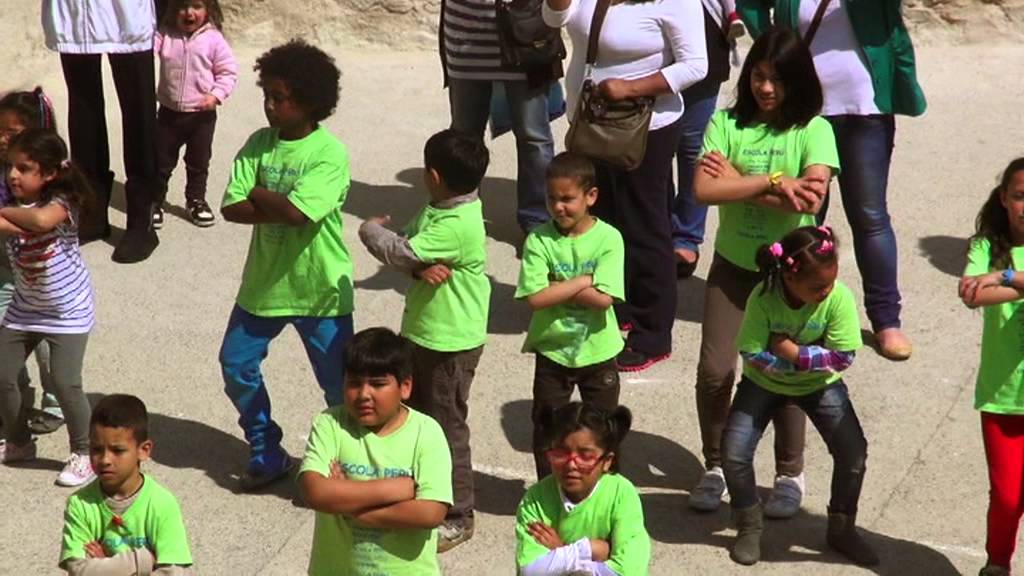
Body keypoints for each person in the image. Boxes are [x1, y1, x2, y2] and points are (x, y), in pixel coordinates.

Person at [689, 26, 838, 517]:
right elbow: (704, 192)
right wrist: (775, 182)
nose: (766, 88)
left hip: (788, 277)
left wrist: (738, 180)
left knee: (784, 372)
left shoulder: (815, 130)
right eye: (758, 76)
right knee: (716, 371)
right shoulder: (725, 122)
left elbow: (811, 199)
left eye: (776, 79)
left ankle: (788, 473)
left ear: (797, 81)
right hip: (732, 268)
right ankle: (715, 466)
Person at [738, 0, 928, 361]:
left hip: (865, 106)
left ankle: (886, 320)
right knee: (803, 215)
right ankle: (786, 314)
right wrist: (775, 50)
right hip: (804, 110)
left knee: (870, 216)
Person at [543, 0, 708, 371]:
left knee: (645, 227)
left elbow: (696, 64)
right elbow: (553, 19)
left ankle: (652, 333)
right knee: (606, 221)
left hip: (645, 129)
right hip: (592, 124)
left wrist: (632, 87)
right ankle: (624, 305)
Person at [218, 40, 352, 492]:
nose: (269, 105)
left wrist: (260, 194)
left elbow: (299, 215)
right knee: (236, 365)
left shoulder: (329, 154)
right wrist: (274, 203)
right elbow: (232, 207)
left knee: (339, 389)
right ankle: (266, 447)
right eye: (267, 95)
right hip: (263, 286)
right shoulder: (257, 144)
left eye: (280, 97)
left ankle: (348, 458)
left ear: (310, 101)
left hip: (321, 289)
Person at [358, 128, 489, 552]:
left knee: (446, 425)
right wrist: (416, 267)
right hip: (426, 334)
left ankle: (458, 514)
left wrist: (368, 230)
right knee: (418, 417)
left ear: (433, 175)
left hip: (449, 343)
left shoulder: (457, 223)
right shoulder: (438, 208)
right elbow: (412, 253)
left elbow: (399, 249)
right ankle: (421, 490)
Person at [723, 225, 875, 567]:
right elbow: (750, 351)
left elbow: (844, 356)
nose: (827, 290)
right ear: (790, 280)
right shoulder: (763, 297)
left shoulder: (839, 298)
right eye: (818, 286)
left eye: (831, 281)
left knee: (854, 454)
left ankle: (841, 527)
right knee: (733, 453)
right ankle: (748, 525)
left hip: (820, 386)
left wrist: (791, 352)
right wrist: (806, 360)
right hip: (762, 383)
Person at [298, 327, 452, 576]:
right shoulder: (330, 424)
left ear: (405, 387)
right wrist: (395, 489)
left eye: (378, 384)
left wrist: (347, 505)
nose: (363, 395)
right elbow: (314, 491)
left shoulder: (427, 433)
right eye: (354, 383)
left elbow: (430, 512)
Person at [515, 152, 625, 480]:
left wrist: (557, 286)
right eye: (551, 198)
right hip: (553, 351)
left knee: (605, 431)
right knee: (547, 428)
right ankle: (548, 488)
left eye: (567, 199)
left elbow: (604, 300)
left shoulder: (609, 239)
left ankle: (605, 493)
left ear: (591, 197)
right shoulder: (538, 239)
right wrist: (583, 280)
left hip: (599, 351)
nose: (558, 207)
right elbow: (536, 298)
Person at [0, 129, 97, 488]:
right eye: (11, 167)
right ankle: (19, 442)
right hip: (26, 308)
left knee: (65, 382)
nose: (13, 175)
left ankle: (85, 453)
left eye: (24, 169)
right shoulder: (13, 205)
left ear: (50, 173)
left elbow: (40, 223)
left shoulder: (63, 204)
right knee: (3, 375)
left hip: (68, 312)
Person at [42, 0, 162, 264]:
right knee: (84, 114)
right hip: (74, 13)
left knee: (138, 113)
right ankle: (92, 214)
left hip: (127, 13)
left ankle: (143, 219)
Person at [438, 0, 558, 234]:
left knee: (534, 137)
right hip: (466, 40)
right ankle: (462, 219)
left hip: (526, 36)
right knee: (464, 137)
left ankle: (538, 221)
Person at [958, 158, 1024, 576]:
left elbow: (987, 286)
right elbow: (972, 294)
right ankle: (997, 563)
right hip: (1003, 396)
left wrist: (1005, 276)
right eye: (1019, 196)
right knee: (1006, 496)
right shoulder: (984, 244)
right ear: (1004, 198)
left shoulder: (997, 263)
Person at [59, 394, 194, 575]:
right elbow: (79, 569)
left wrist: (105, 565)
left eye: (118, 450)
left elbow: (173, 572)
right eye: (97, 449)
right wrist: (143, 560)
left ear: (143, 451)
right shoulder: (80, 504)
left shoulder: (162, 504)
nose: (105, 459)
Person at [515, 402, 650, 575]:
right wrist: (591, 550)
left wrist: (562, 551)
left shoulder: (621, 494)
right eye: (560, 453)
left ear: (607, 461)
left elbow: (629, 571)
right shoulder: (535, 499)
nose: (571, 464)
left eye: (585, 455)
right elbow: (531, 570)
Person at [0, 89, 63, 435]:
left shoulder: (54, 184)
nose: (4, 138)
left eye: (13, 131)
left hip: (42, 280)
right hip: (5, 274)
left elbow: (37, 222)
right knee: (4, 340)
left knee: (46, 346)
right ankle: (15, 399)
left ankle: (54, 403)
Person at [154, 0, 238, 228]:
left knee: (198, 162)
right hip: (169, 114)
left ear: (208, 9)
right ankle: (155, 201)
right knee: (161, 162)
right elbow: (147, 51)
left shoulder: (214, 40)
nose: (189, 13)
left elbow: (228, 72)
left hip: (201, 116)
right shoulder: (165, 35)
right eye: (181, 7)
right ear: (171, 10)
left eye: (196, 6)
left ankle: (196, 201)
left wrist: (216, 95)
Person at [670, 1, 733, 278]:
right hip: (646, 38)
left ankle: (685, 236)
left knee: (693, 144)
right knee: (647, 144)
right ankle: (655, 228)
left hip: (703, 33)